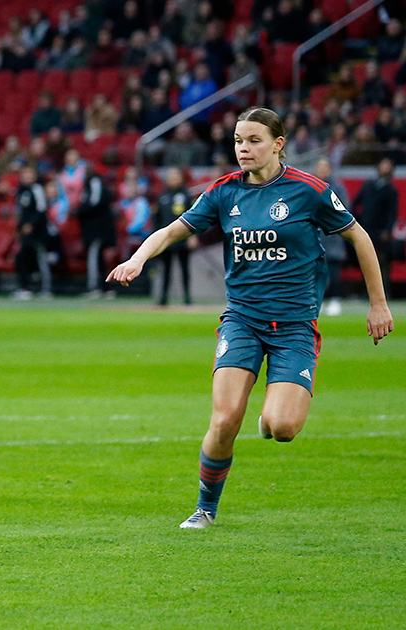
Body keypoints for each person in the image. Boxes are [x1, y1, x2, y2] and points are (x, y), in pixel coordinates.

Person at [108, 107, 394, 530]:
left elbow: (359, 236)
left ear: (278, 144)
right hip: (242, 320)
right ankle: (205, 509)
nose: (244, 148)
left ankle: (271, 414)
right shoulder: (224, 192)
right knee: (224, 419)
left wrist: (378, 304)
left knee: (283, 428)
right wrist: (137, 259)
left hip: (295, 326)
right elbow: (171, 230)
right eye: (239, 140)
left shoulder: (309, 190)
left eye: (254, 140)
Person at [353, 157, 399, 301]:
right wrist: (357, 223)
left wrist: (388, 230)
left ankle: (384, 293)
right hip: (366, 229)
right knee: (364, 260)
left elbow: (393, 213)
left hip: (381, 232)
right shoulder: (368, 185)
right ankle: (365, 292)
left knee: (383, 262)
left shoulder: (391, 190)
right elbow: (355, 204)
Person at [153, 168, 195, 305]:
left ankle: (187, 298)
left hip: (183, 238)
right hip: (166, 240)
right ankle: (163, 299)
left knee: (185, 270)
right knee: (166, 270)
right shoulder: (162, 196)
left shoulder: (187, 195)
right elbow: (156, 218)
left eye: (176, 176)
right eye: (171, 176)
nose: (173, 179)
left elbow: (195, 217)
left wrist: (193, 235)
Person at [313, 158, 349, 316]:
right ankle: (317, 299)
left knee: (333, 269)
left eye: (324, 167)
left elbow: (344, 209)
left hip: (332, 235)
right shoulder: (310, 186)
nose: (321, 171)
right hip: (314, 235)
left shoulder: (337, 187)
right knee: (314, 271)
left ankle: (335, 299)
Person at [13, 165, 52, 299]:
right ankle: (25, 287)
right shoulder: (21, 191)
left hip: (38, 232)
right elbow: (20, 212)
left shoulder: (37, 189)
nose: (27, 177)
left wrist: (31, 224)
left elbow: (41, 210)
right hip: (25, 232)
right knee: (23, 257)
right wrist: (20, 227)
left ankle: (46, 288)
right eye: (25, 174)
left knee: (40, 258)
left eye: (29, 174)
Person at [78, 163, 115, 298]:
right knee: (98, 257)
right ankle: (105, 287)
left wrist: (79, 211)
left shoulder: (94, 182)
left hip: (98, 228)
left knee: (94, 255)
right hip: (95, 228)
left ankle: (93, 286)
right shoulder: (89, 185)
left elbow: (95, 202)